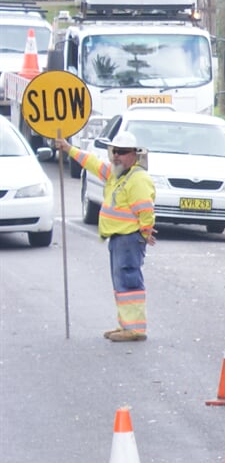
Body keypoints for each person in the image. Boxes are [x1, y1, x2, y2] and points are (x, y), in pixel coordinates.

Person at [56, 130, 157, 342]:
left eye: (122, 152)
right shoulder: (116, 173)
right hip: (119, 238)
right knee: (121, 282)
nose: (116, 156)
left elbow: (145, 209)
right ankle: (125, 324)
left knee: (129, 282)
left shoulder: (137, 178)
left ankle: (134, 328)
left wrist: (146, 232)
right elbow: (91, 162)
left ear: (135, 155)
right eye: (114, 152)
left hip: (129, 238)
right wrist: (68, 148)